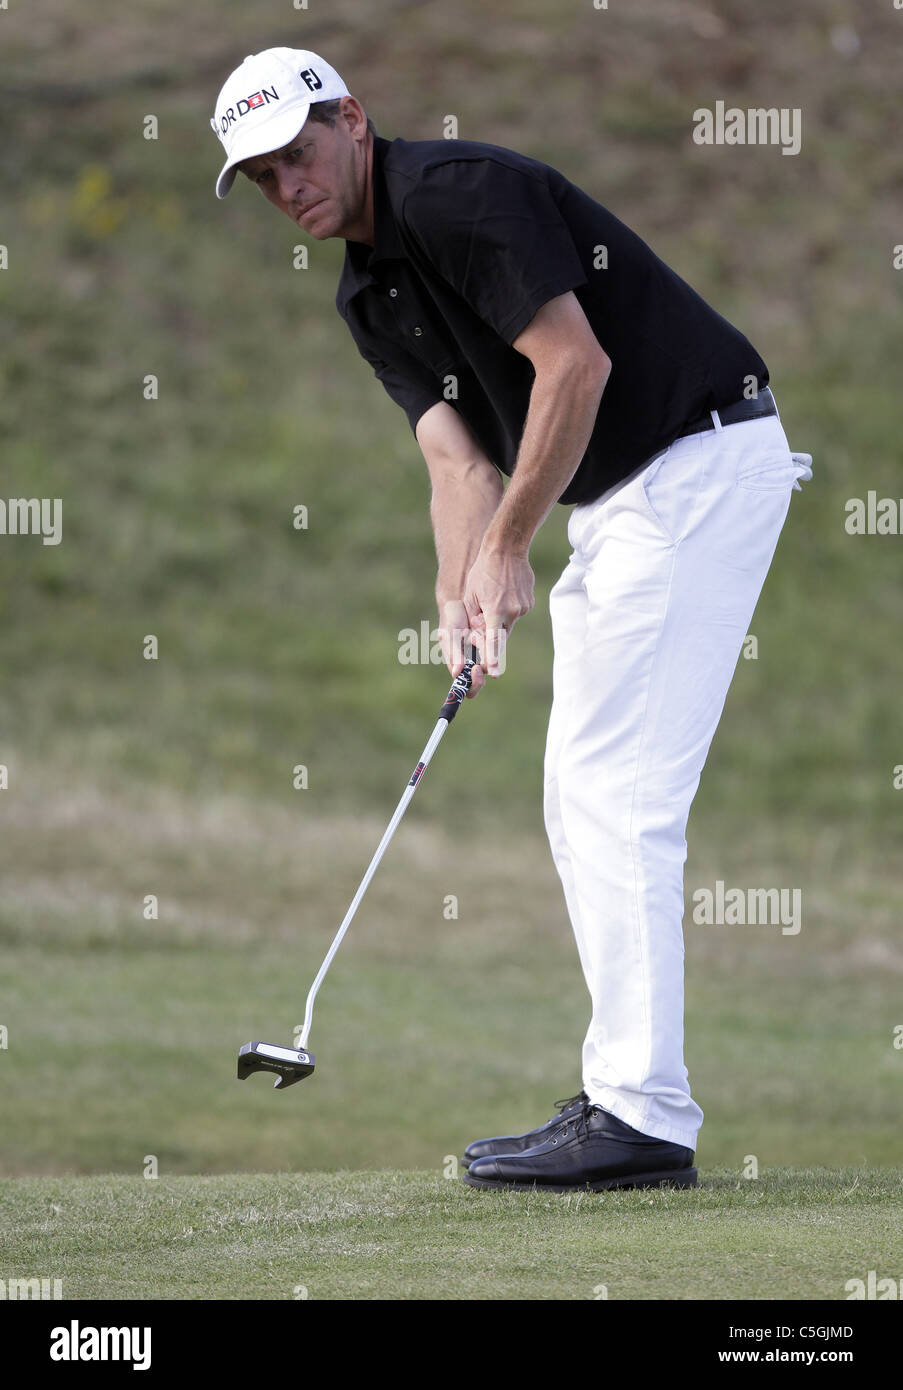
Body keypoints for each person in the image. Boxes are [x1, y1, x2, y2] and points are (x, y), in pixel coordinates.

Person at [211, 47, 812, 1192]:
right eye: (261, 177)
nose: (288, 186)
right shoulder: (365, 291)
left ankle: (639, 1116)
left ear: (351, 117)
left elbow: (572, 367)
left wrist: (507, 550)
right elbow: (456, 462)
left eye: (296, 153)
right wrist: (458, 597)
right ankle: (630, 1103)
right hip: (636, 494)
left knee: (615, 792)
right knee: (585, 791)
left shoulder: (454, 195)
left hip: (693, 461)